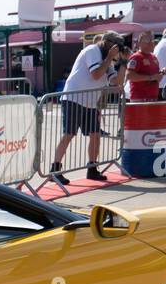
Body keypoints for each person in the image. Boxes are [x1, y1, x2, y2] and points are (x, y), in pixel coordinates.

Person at [49, 31, 126, 183]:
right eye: (116, 46)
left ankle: (92, 168)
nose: (118, 49)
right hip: (74, 98)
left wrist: (124, 63)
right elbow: (96, 74)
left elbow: (116, 80)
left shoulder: (106, 59)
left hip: (90, 102)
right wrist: (110, 57)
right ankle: (55, 169)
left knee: (95, 134)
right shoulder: (92, 51)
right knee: (69, 134)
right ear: (108, 43)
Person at [125, 30, 163, 101]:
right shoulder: (136, 57)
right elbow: (129, 76)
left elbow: (154, 75)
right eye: (147, 40)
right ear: (139, 43)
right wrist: (151, 77)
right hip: (140, 98)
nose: (150, 42)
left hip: (153, 97)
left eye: (152, 40)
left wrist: (161, 74)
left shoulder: (153, 57)